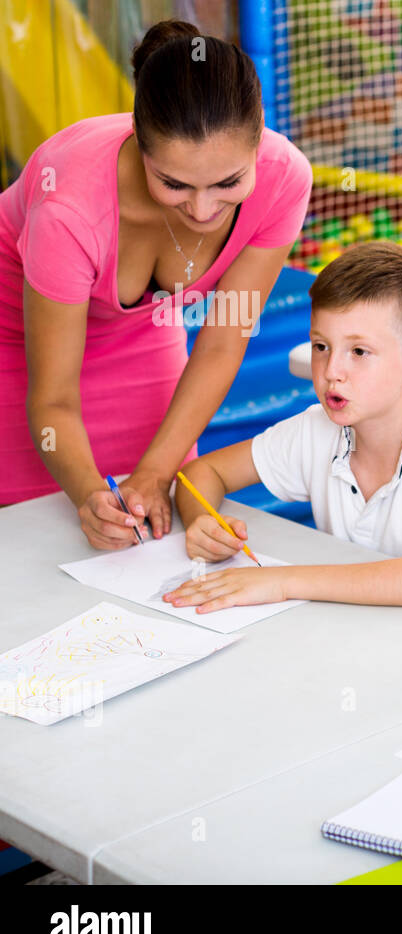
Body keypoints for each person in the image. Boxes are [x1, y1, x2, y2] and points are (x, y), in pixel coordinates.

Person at [0, 19, 311, 545]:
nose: (203, 209)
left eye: (229, 182)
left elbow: (221, 341)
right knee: (36, 542)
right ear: (139, 143)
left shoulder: (284, 180)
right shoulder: (70, 210)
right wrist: (87, 495)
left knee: (154, 525)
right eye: (173, 184)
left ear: (259, 129)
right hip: (16, 342)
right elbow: (51, 400)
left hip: (143, 336)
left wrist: (156, 470)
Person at [163, 242, 402, 611]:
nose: (331, 371)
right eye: (321, 345)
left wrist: (283, 582)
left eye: (359, 352)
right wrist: (203, 524)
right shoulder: (316, 431)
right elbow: (200, 473)